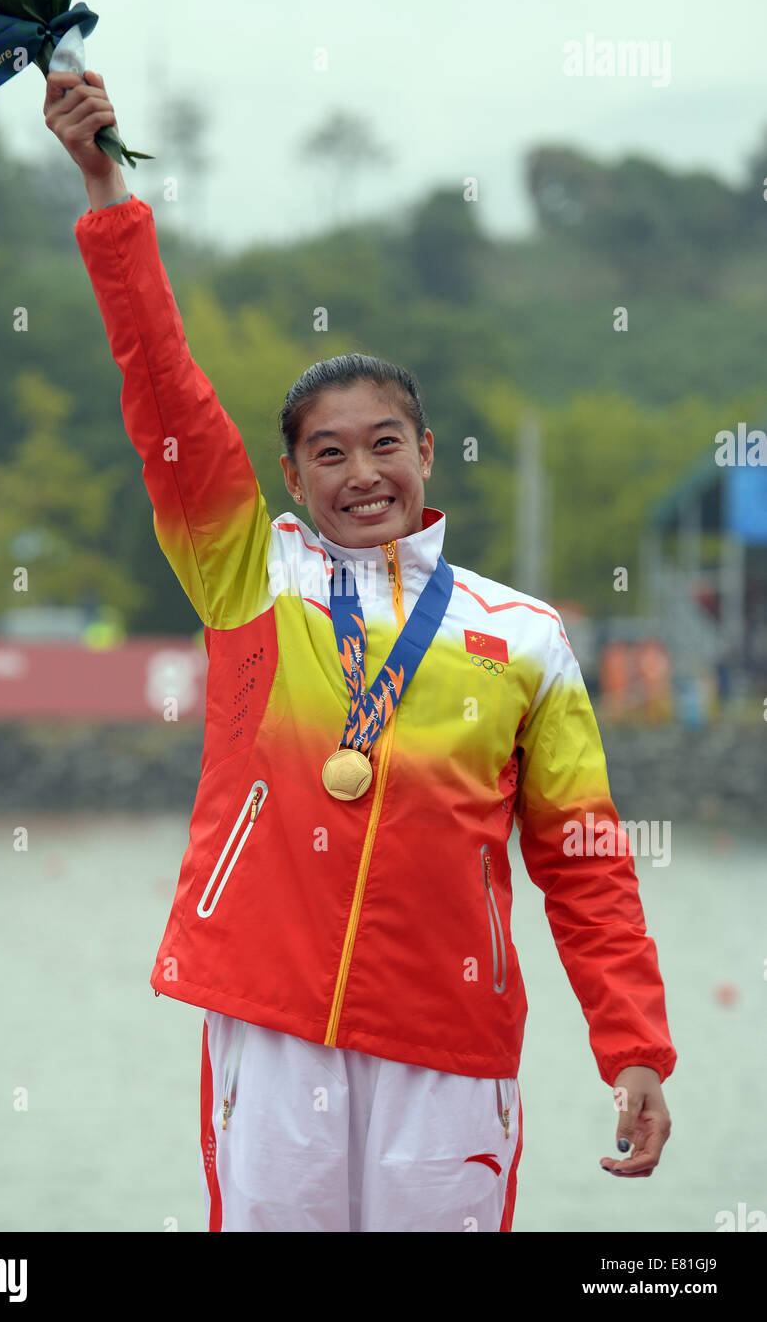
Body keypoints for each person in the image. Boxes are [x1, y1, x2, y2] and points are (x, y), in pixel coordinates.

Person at [45, 69, 675, 1233]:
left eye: (385, 442)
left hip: (451, 1042)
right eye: (328, 454)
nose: (361, 473)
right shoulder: (250, 578)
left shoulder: (524, 638)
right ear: (292, 479)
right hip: (272, 1026)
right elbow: (167, 398)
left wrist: (633, 1044)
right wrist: (104, 194)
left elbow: (586, 862)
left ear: (428, 452)